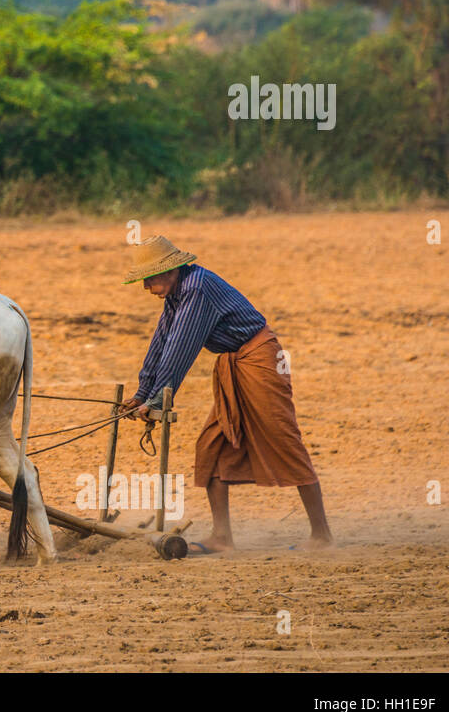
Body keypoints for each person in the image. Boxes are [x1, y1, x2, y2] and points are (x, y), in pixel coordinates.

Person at [121, 235, 333, 551]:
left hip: (259, 358)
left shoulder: (197, 290)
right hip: (233, 363)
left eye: (148, 278)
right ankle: (222, 538)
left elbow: (181, 348)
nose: (145, 287)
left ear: (170, 271)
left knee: (282, 437)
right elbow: (161, 342)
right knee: (211, 444)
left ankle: (322, 536)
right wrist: (142, 393)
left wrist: (158, 399)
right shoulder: (177, 294)